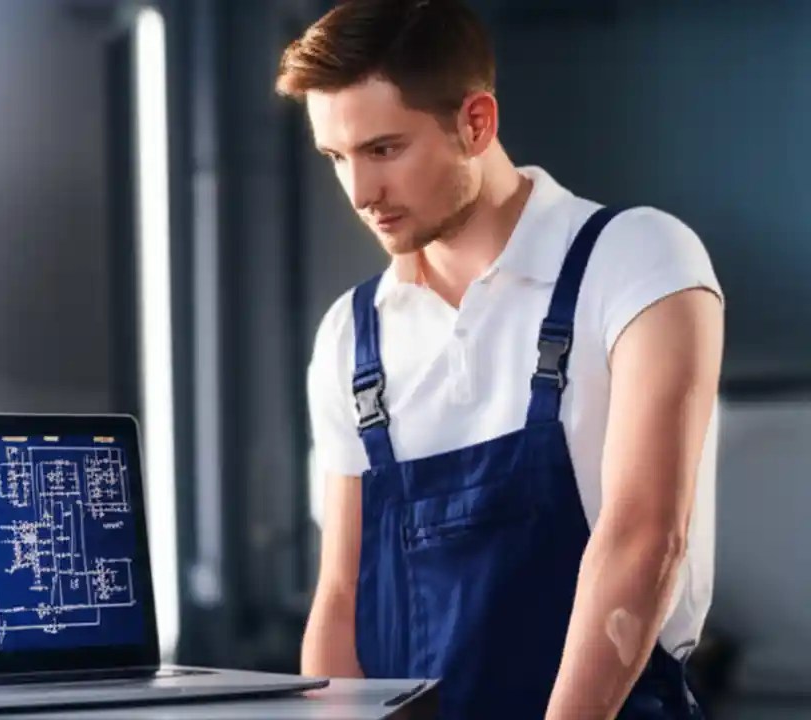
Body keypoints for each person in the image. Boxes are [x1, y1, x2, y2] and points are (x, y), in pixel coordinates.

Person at [275, 1, 724, 717]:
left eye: (384, 150)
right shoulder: (349, 336)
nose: (360, 193)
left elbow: (644, 538)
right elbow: (340, 598)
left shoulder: (637, 259)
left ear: (476, 123)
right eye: (337, 158)